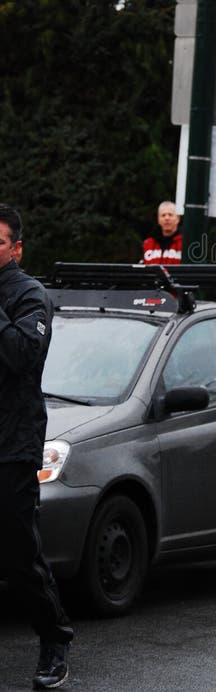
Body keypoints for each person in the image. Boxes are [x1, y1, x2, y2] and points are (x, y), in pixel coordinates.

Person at [0, 204, 74, 689]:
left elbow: (21, 356)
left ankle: (54, 636)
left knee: (15, 552)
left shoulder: (30, 296)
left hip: (12, 443)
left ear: (16, 249)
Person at [141, 201, 183, 265]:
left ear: (178, 219)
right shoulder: (148, 244)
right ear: (158, 219)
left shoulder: (185, 243)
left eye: (170, 215)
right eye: (163, 215)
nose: (166, 218)